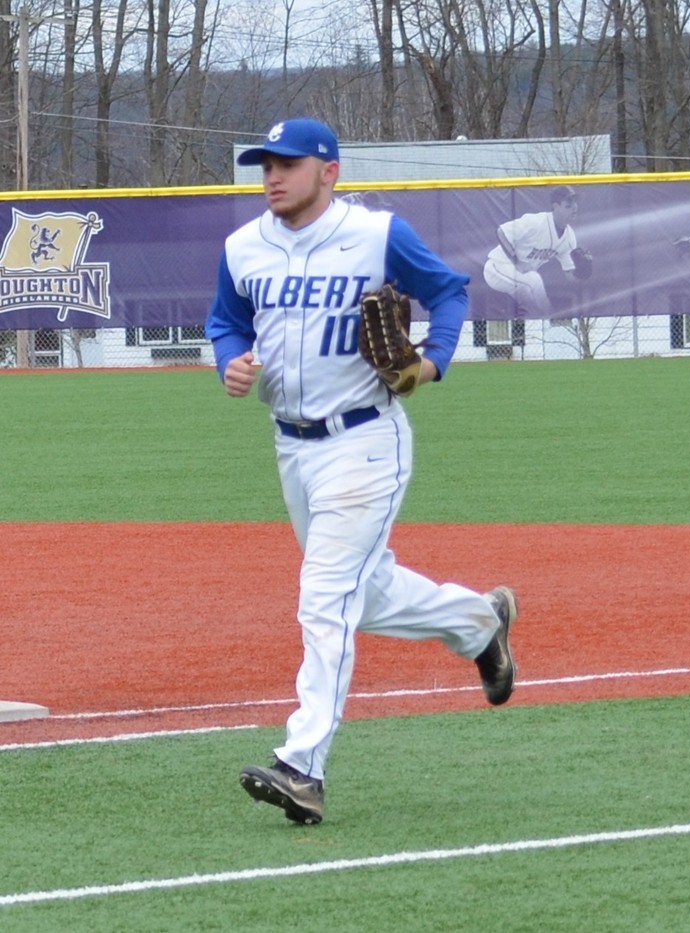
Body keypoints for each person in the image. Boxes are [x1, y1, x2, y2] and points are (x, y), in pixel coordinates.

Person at [205, 117, 518, 826]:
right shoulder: (242, 247)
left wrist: (432, 361)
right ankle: (479, 622)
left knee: (324, 597)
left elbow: (450, 290)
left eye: (288, 163)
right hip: (292, 445)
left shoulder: (377, 235)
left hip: (366, 440)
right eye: (266, 164)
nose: (272, 175)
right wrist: (230, 359)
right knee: (362, 593)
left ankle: (303, 766)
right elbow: (225, 319)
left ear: (330, 172)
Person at [483, 184, 581, 316]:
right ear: (555, 206)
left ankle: (544, 321)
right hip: (496, 268)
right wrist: (517, 261)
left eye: (575, 202)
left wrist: (582, 273)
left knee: (532, 307)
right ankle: (552, 318)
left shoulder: (569, 238)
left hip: (520, 281)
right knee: (534, 281)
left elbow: (569, 274)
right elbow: (501, 232)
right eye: (568, 204)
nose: (574, 207)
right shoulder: (536, 222)